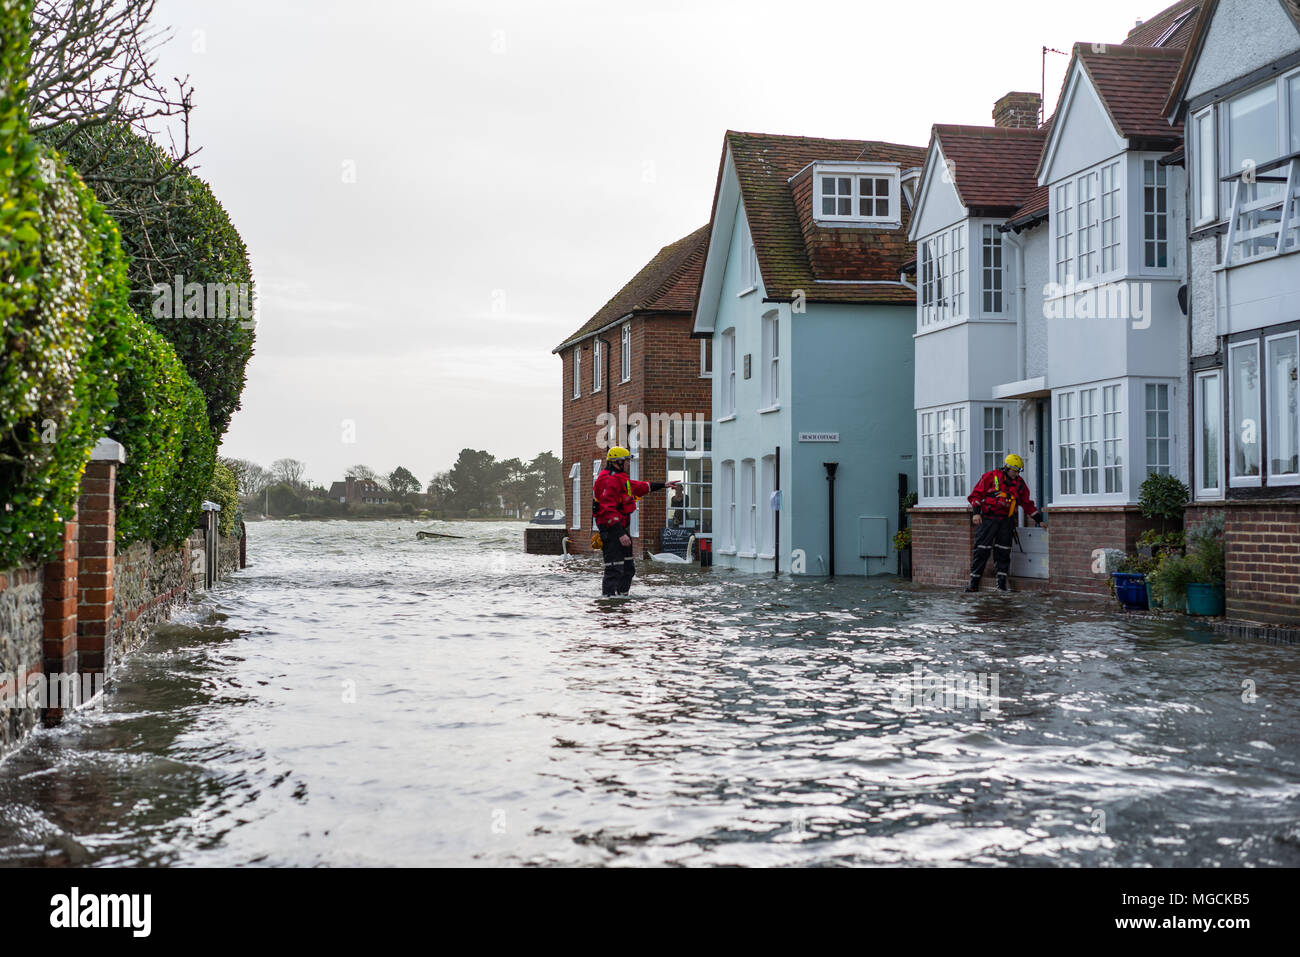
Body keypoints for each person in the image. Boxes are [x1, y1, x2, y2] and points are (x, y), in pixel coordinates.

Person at [593, 446, 679, 596]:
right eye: (626, 461)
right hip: (613, 531)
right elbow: (607, 510)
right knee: (614, 568)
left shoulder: (620, 478)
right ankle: (609, 603)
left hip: (621, 530)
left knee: (628, 569)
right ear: (617, 462)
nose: (628, 464)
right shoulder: (608, 480)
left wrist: (663, 485)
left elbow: (639, 487)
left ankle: (621, 598)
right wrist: (620, 534)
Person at [966, 453, 1045, 592]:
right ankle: (973, 584)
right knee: (981, 550)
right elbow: (975, 495)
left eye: (1018, 471)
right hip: (988, 519)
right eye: (1015, 471)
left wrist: (1039, 520)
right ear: (1007, 468)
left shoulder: (1019, 484)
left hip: (1006, 521)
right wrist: (976, 513)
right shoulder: (990, 477)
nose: (1016, 474)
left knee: (1003, 551)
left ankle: (1001, 584)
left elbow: (1027, 503)